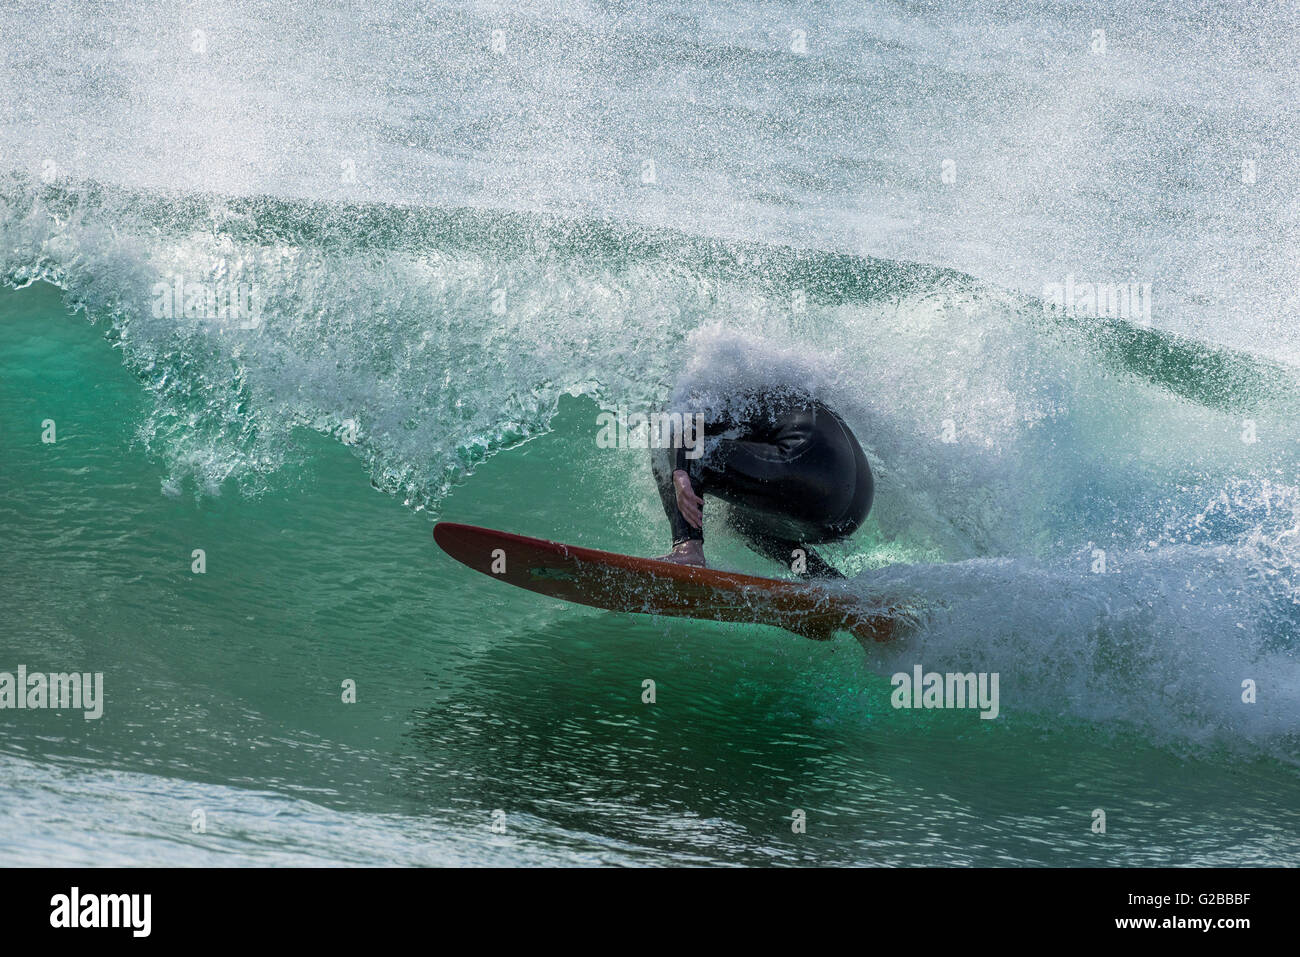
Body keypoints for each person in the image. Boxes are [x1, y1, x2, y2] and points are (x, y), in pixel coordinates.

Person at [651, 389, 873, 578]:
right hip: (853, 507)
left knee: (679, 458)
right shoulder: (771, 391)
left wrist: (680, 472)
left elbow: (684, 432)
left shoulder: (705, 394)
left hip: (811, 474)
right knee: (740, 522)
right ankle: (818, 575)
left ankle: (688, 550)